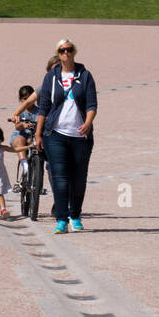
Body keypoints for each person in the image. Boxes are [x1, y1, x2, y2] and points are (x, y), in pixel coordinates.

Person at [35, 38, 98, 234]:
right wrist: (38, 134)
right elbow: (44, 106)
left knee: (78, 178)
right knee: (60, 178)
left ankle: (75, 216)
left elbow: (91, 104)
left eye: (69, 50)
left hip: (80, 136)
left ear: (74, 52)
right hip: (56, 135)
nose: (66, 53)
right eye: (62, 50)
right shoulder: (51, 78)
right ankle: (61, 219)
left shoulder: (85, 75)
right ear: (58, 53)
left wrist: (87, 123)